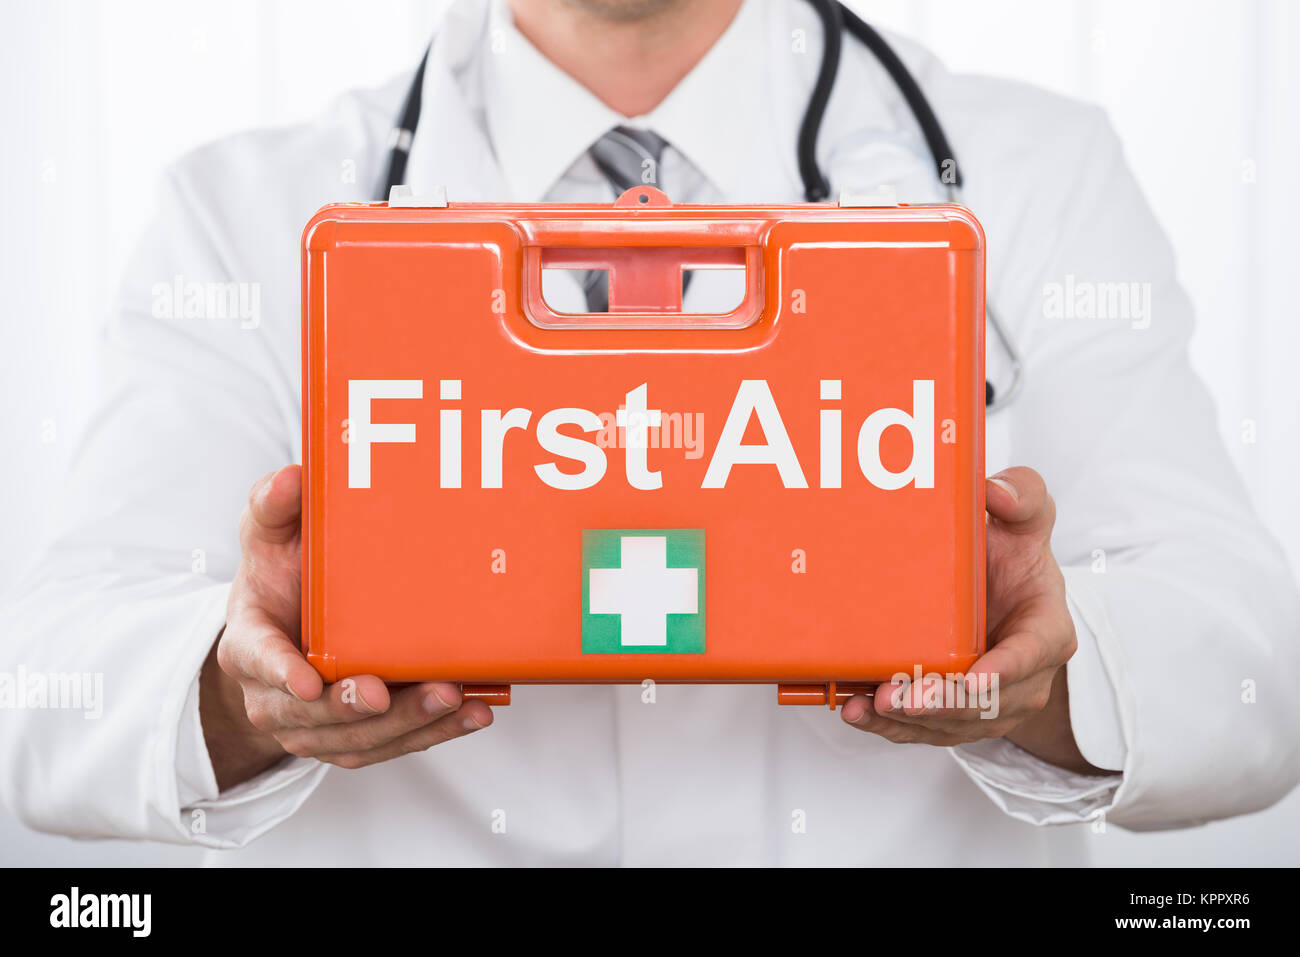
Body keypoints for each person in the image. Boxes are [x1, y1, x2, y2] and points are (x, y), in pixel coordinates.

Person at [2, 0, 1297, 866]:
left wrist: (1051, 667)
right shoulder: (242, 216)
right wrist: (243, 684)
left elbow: (1256, 680)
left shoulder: (1039, 170)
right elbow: (45, 700)